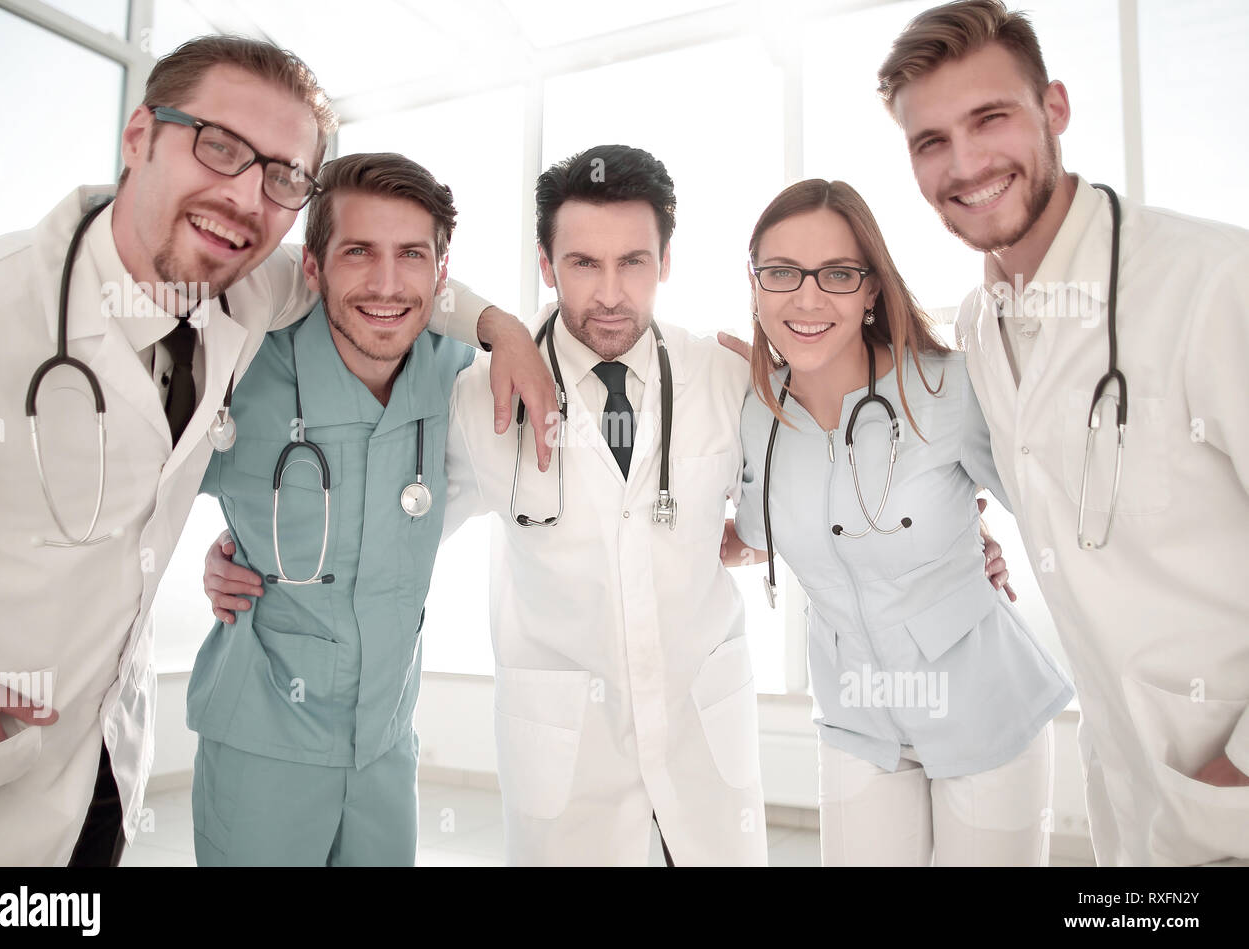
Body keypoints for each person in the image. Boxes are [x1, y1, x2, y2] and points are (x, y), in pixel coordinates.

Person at [0, 35, 553, 867]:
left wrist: (502, 326)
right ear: (137, 137)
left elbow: (409, 285)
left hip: (108, 764)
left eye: (279, 176)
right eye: (218, 145)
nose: (242, 196)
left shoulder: (249, 284)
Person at [208, 144, 769, 866]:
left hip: (703, 736)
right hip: (567, 755)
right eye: (582, 263)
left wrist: (761, 542)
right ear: (545, 263)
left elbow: (796, 508)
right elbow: (391, 523)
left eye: (633, 262)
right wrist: (252, 545)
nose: (608, 293)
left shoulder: (723, 375)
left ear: (665, 262)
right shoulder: (476, 395)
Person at [878, 0, 1249, 865]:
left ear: (1055, 109)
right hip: (1131, 806)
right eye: (930, 141)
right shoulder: (978, 327)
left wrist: (1238, 768)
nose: (965, 165)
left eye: (990, 119)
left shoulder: (1213, 284)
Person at [723, 178, 1072, 865]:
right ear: (757, 284)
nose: (807, 298)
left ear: (872, 289)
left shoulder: (949, 389)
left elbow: (1055, 518)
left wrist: (976, 546)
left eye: (838, 274)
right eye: (782, 273)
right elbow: (754, 539)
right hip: (859, 725)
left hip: (986, 717)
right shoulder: (755, 417)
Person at [187, 152, 472, 865]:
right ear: (311, 268)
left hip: (384, 748)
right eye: (357, 252)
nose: (385, 283)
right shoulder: (239, 369)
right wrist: (228, 545)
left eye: (411, 255)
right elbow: (131, 504)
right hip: (263, 746)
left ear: (442, 276)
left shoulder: (461, 371)